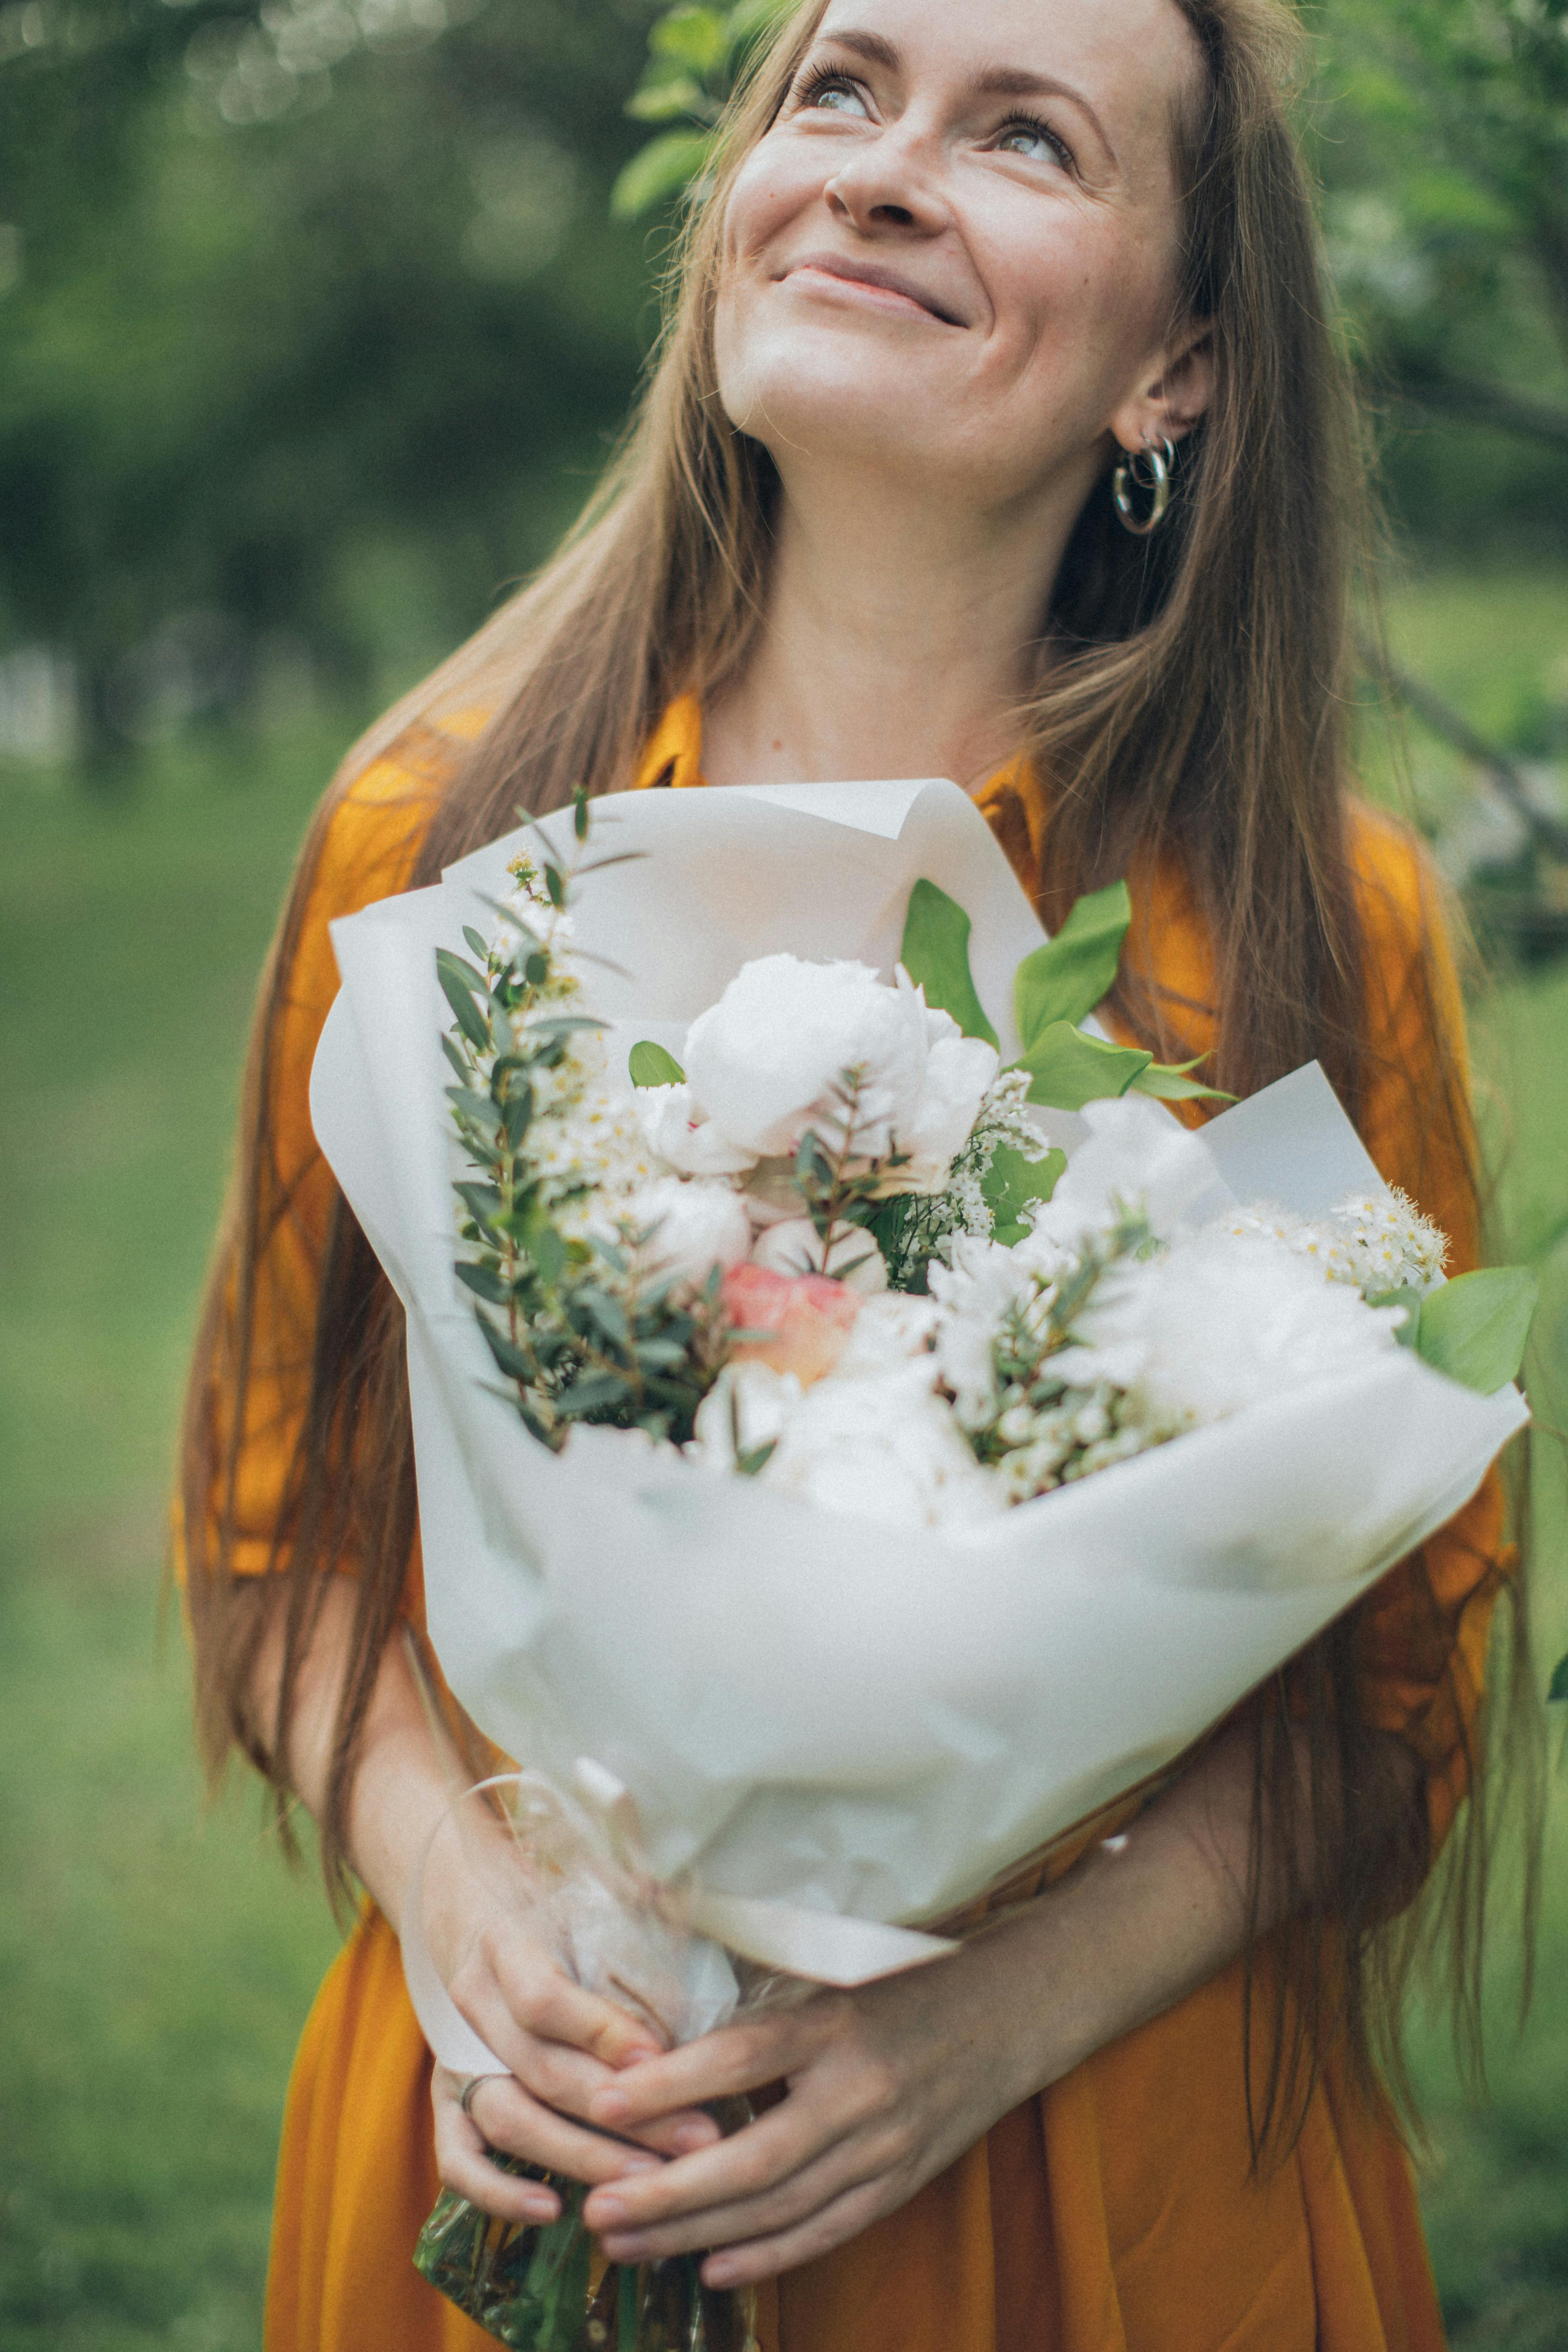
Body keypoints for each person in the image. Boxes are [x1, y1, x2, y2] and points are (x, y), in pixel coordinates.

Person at [178, 1, 1525, 2345]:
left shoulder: (1319, 925)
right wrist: (472, 1914)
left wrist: (983, 2026)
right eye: (838, 89)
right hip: (530, 2105)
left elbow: (1384, 1710)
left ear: (1177, 370)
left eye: (1023, 136)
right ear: (733, 216)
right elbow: (281, 1544)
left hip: (1104, 2196)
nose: (886, 168)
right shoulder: (439, 847)